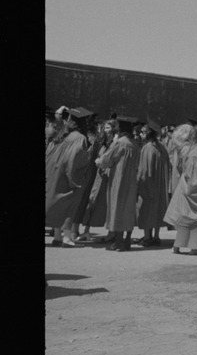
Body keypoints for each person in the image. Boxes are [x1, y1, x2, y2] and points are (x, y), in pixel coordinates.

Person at [164, 123, 197, 255]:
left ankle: (177, 246)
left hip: (185, 185)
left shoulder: (186, 148)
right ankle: (195, 247)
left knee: (184, 218)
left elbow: (178, 167)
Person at [45, 107, 93, 247]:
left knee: (58, 203)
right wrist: (75, 179)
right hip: (67, 174)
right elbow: (75, 158)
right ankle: (66, 238)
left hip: (54, 171)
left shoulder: (62, 133)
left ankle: (57, 237)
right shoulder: (80, 138)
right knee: (69, 204)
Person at [97, 115, 141, 252]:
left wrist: (98, 161)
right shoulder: (134, 143)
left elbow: (107, 160)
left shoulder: (120, 143)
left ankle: (118, 241)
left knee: (117, 207)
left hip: (119, 180)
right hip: (131, 181)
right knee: (128, 209)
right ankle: (127, 240)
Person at [136, 119, 171, 246]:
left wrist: (140, 184)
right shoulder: (161, 147)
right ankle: (156, 236)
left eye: (143, 132)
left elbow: (145, 170)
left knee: (146, 210)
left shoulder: (147, 148)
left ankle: (147, 237)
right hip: (160, 185)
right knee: (157, 210)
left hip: (149, 184)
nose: (141, 134)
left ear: (148, 133)